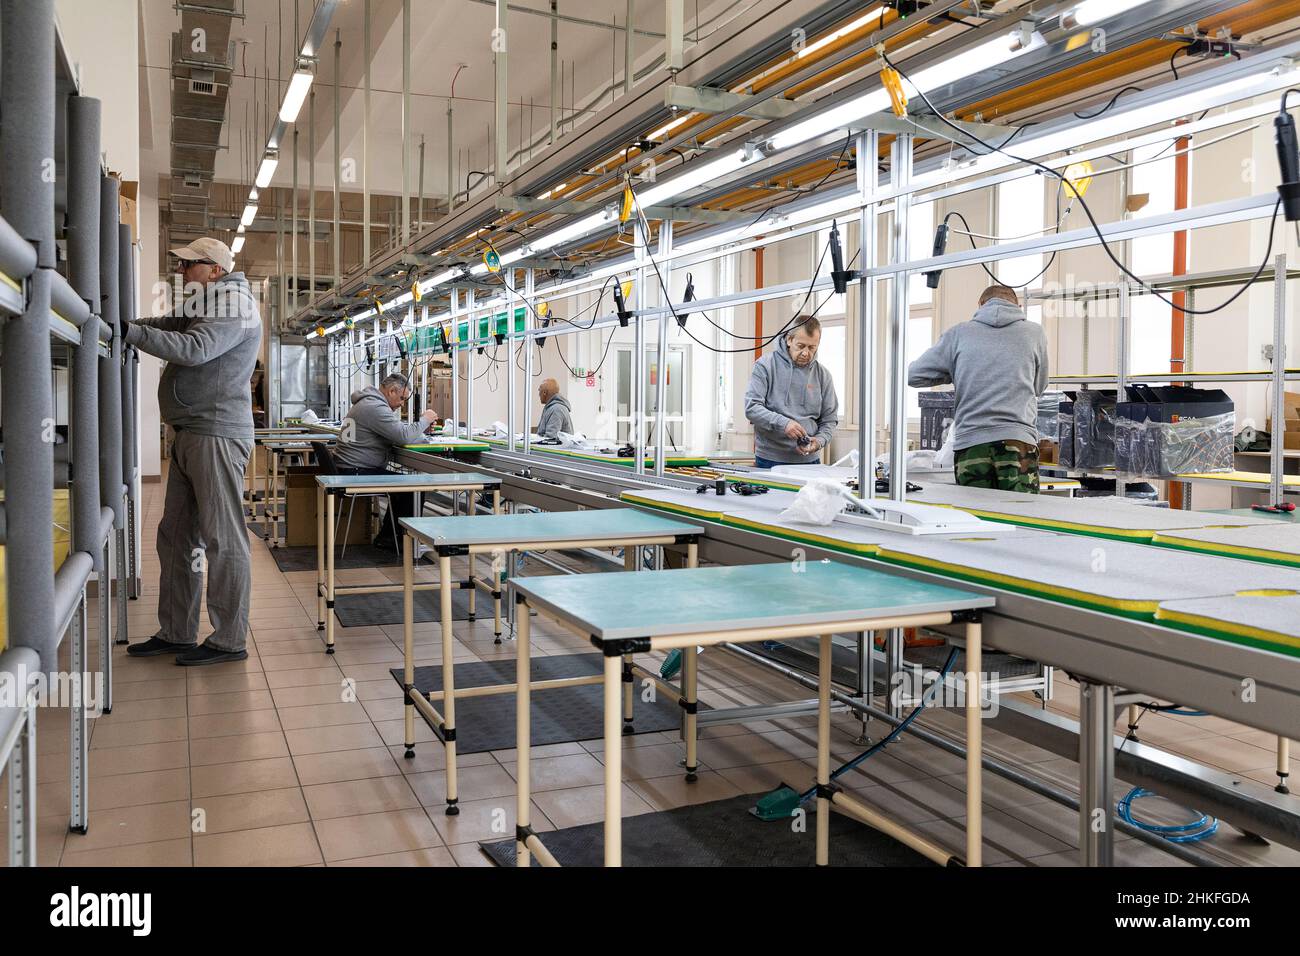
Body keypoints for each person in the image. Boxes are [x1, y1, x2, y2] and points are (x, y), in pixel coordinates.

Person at [123, 237, 261, 665]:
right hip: (190, 432)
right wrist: (122, 321)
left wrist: (129, 334)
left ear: (215, 269)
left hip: (216, 432)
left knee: (223, 538)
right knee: (176, 536)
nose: (181, 273)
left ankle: (229, 640)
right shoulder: (208, 300)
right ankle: (177, 631)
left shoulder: (233, 303)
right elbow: (166, 326)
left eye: (189, 266)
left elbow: (194, 349)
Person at [907, 284, 1049, 493]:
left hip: (971, 444)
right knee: (1022, 518)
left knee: (976, 519)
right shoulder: (1035, 333)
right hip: (1018, 442)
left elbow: (913, 375)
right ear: (1018, 305)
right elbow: (1039, 386)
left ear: (980, 305)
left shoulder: (958, 334)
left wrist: (956, 370)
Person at [333, 372, 438, 549]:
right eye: (402, 399)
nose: (402, 404)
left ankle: (390, 536)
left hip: (350, 467)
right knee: (414, 487)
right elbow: (403, 436)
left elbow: (398, 433)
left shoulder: (367, 403)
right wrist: (425, 420)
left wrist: (420, 431)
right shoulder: (374, 407)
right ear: (391, 391)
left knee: (406, 485)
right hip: (355, 471)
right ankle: (397, 540)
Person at [744, 316, 839, 468]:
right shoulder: (765, 366)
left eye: (812, 347)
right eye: (801, 346)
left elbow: (830, 419)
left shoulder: (823, 375)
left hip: (810, 462)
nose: (806, 353)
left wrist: (819, 441)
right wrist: (784, 423)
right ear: (789, 340)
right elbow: (752, 408)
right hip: (770, 459)